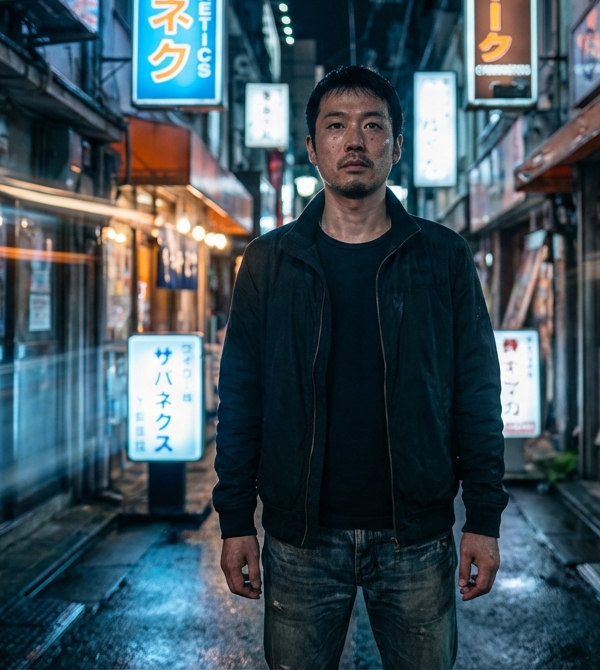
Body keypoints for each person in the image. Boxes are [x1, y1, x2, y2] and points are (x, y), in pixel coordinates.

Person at [213, 65, 506, 670]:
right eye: (336, 126)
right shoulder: (270, 262)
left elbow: (477, 391)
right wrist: (236, 519)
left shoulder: (443, 256)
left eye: (373, 126)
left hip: (417, 538)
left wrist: (483, 518)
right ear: (313, 146)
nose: (354, 141)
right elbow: (242, 396)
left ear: (397, 146)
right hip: (300, 540)